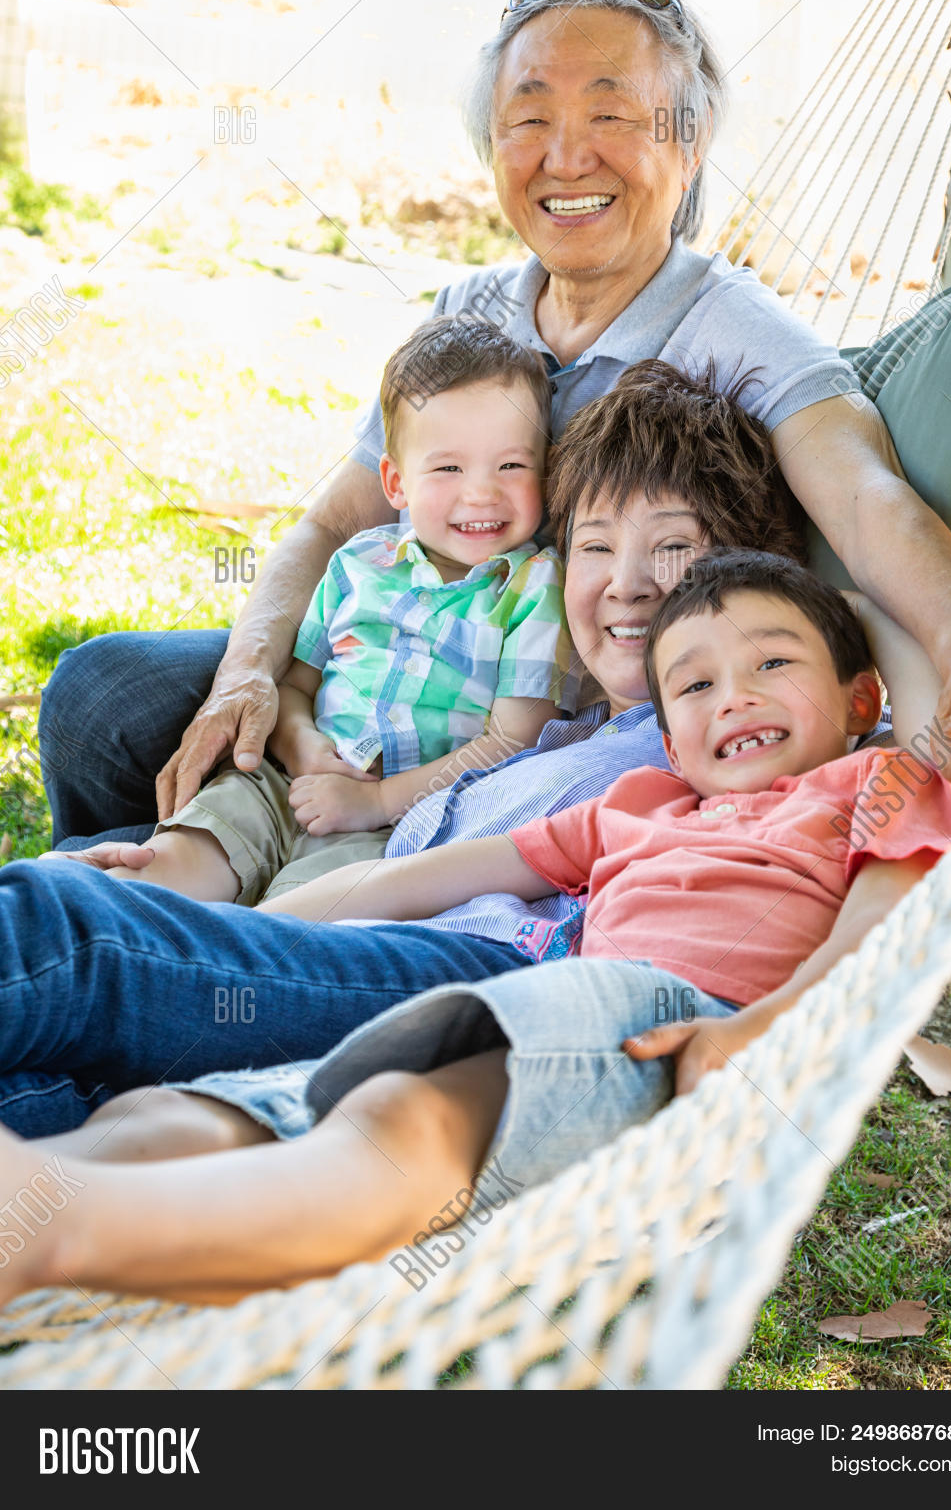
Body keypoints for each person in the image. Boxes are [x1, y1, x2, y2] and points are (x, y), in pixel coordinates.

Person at [38, 0, 951, 848]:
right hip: (396, 665)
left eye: (612, 114)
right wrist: (253, 670)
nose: (566, 158)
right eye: (528, 119)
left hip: (542, 726)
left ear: (690, 139)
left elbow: (867, 498)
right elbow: (337, 519)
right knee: (100, 697)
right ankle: (151, 928)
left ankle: (163, 951)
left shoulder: (742, 334)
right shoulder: (470, 312)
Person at [1, 550, 951, 1307]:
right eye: (694, 685)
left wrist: (777, 1028)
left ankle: (71, 1226)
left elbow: (886, 926)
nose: (737, 695)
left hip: (673, 1025)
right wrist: (185, 928)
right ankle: (50, 1193)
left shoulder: (876, 779)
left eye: (773, 662)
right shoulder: (641, 804)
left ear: (860, 701)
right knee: (180, 1089)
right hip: (534, 986)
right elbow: (409, 882)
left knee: (399, 1124)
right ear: (671, 742)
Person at [3, 363, 825, 1139]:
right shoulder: (567, 729)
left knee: (65, 929)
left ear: (754, 573)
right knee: (71, 893)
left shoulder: (715, 751)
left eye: (674, 547)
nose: (629, 583)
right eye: (597, 546)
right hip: (350, 918)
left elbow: (857, 681)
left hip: (458, 978)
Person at [100, 314, 578, 905]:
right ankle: (86, 928)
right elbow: (298, 683)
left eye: (511, 465)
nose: (480, 492)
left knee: (284, 934)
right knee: (162, 876)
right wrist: (299, 745)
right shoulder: (360, 562)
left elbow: (514, 740)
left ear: (545, 471)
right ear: (395, 483)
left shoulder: (532, 588)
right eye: (448, 468)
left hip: (398, 829)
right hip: (277, 788)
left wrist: (375, 801)